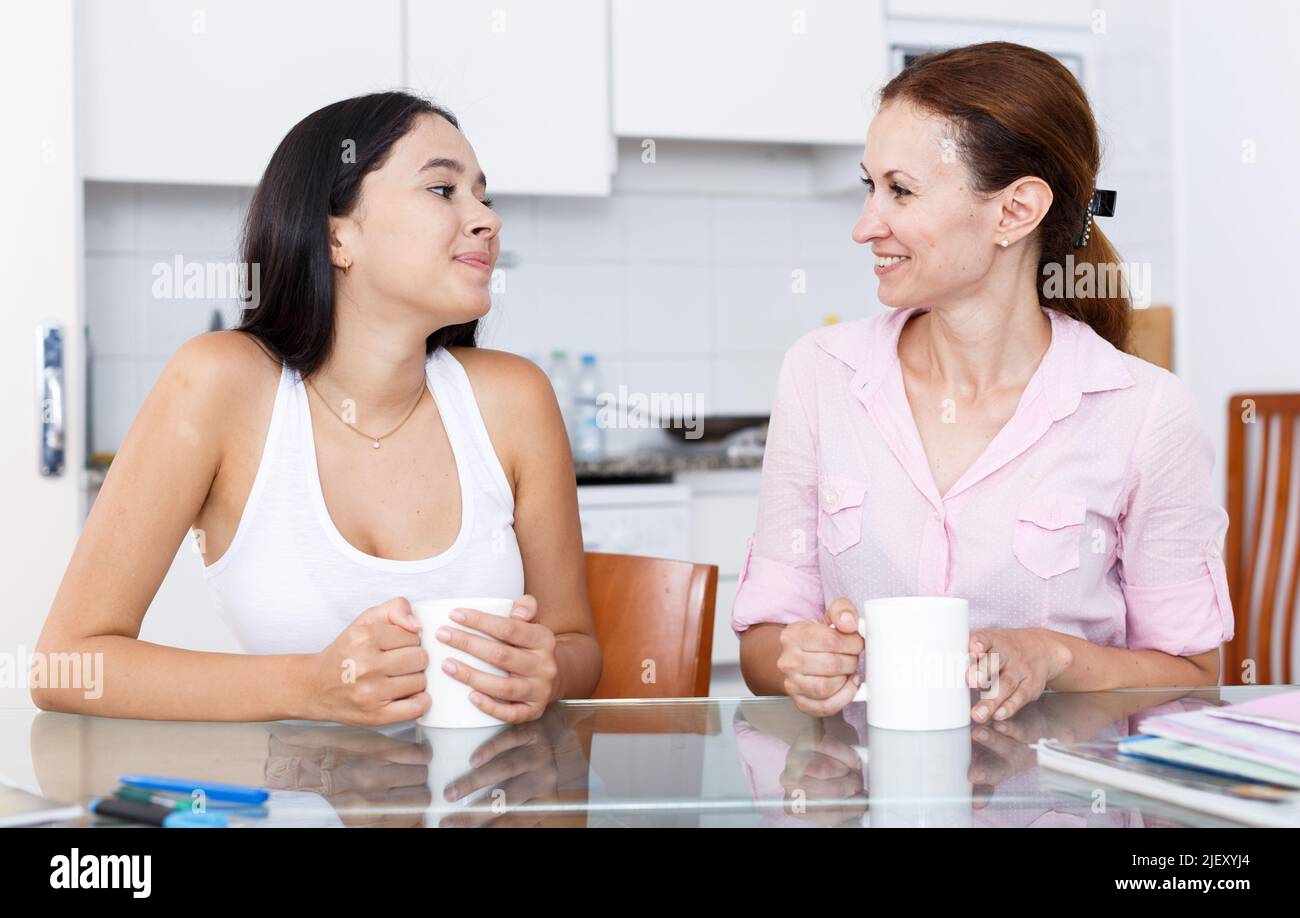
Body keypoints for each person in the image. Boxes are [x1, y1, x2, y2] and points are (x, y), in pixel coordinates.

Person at [34, 92, 601, 725]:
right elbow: (66, 663)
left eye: (484, 197)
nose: (487, 221)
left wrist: (546, 672)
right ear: (337, 236)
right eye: (443, 191)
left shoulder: (515, 398)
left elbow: (576, 646)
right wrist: (310, 686)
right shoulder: (220, 383)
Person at [733, 43, 1234, 722]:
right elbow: (765, 647)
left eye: (900, 190)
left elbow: (1195, 674)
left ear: (1015, 211)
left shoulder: (1145, 412)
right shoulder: (819, 373)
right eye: (868, 186)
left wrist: (1054, 657)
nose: (864, 226)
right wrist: (801, 658)